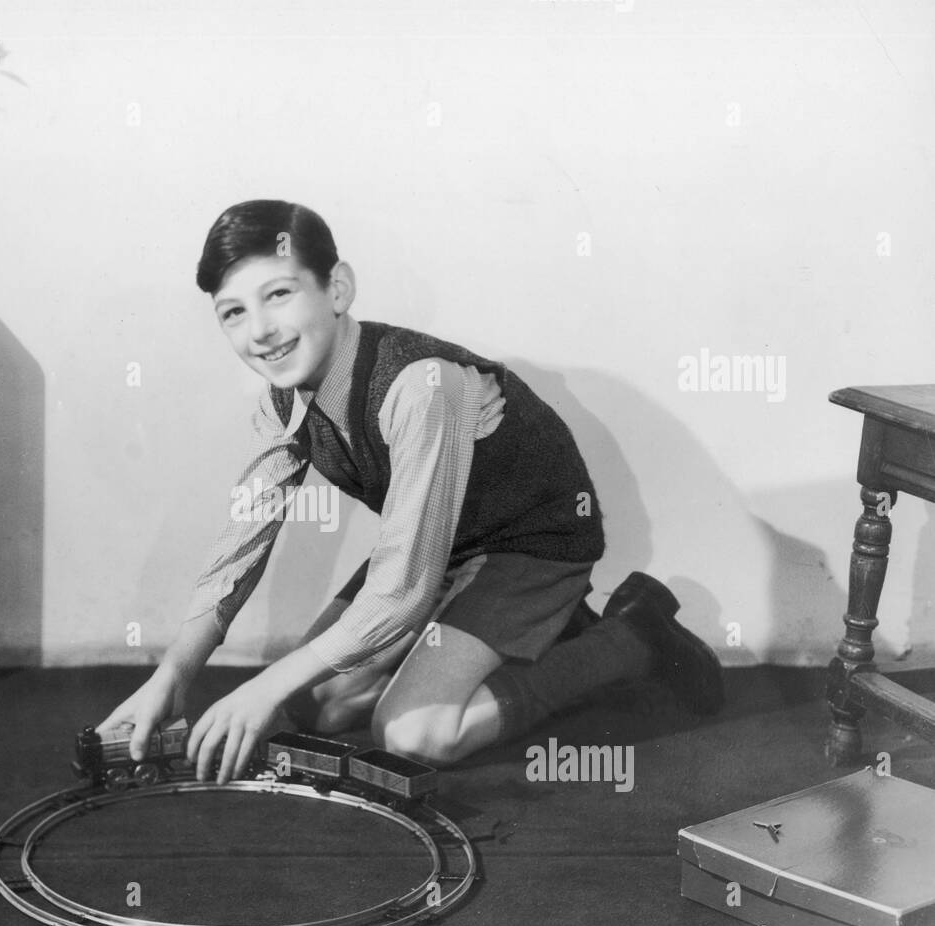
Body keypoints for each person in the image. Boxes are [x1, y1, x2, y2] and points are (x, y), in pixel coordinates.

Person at [97, 199, 722, 784]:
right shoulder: (281, 402)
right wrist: (174, 674)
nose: (260, 331)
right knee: (313, 705)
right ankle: (521, 638)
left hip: (530, 544)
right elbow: (243, 543)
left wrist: (257, 689)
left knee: (412, 733)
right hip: (437, 544)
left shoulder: (420, 387)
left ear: (337, 288)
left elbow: (400, 590)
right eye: (233, 312)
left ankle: (630, 639)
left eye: (279, 294)